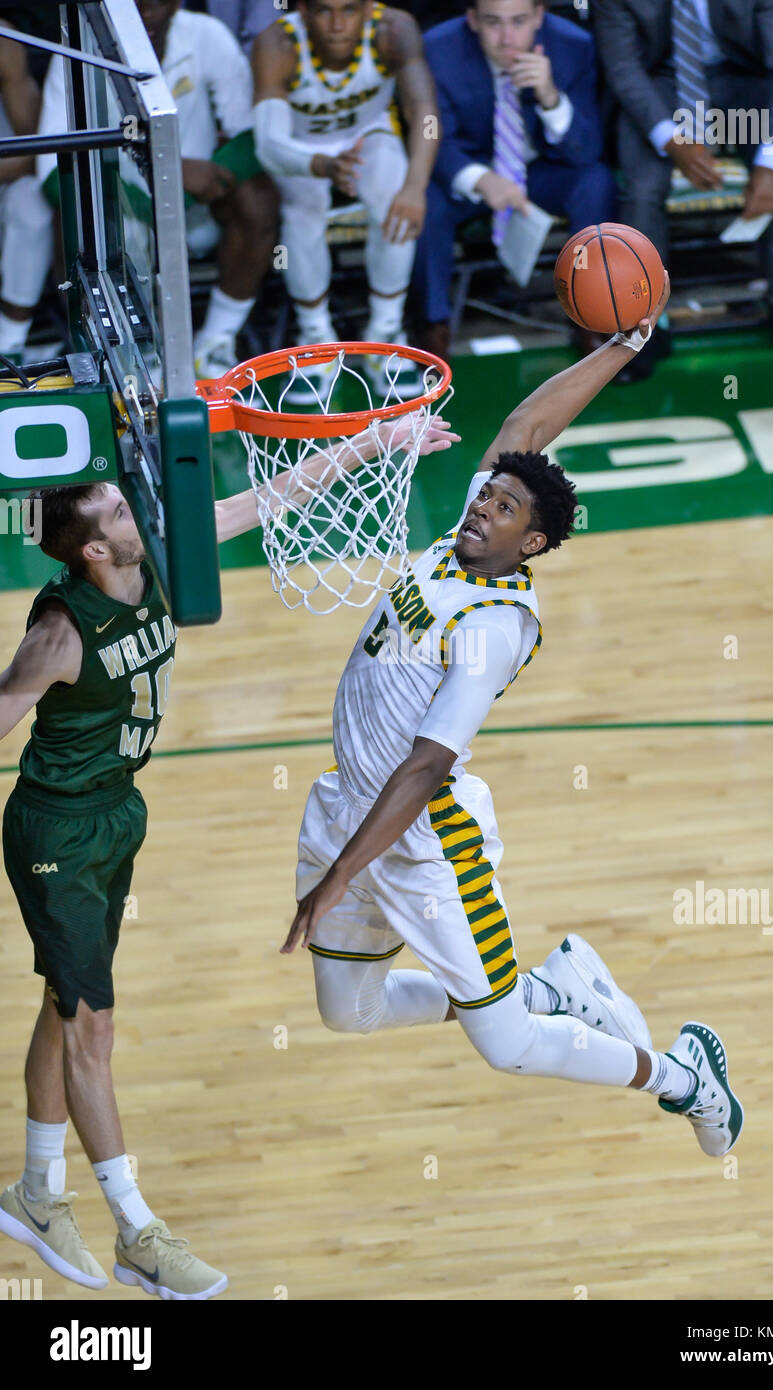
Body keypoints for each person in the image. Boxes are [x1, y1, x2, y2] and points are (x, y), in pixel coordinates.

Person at [282, 271, 744, 1163]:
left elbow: (422, 768)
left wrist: (339, 876)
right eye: (485, 498)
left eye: (501, 509)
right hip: (350, 802)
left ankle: (681, 1077)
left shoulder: (496, 624)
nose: (481, 507)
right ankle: (552, 985)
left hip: (424, 843)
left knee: (506, 1046)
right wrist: (621, 345)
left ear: (530, 543)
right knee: (351, 1014)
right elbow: (525, 433)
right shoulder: (468, 544)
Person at [0, 412, 457, 1298]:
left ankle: (36, 1191)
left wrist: (383, 441)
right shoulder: (60, 633)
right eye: (118, 515)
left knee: (66, 1001)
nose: (138, 514)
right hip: (56, 832)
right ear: (95, 554)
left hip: (117, 815)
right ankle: (138, 1230)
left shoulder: (160, 559)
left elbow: (278, 494)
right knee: (93, 1026)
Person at [592, 0, 773, 382]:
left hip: (743, 81)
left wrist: (770, 165)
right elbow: (624, 67)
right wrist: (671, 140)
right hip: (662, 83)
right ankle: (641, 327)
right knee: (642, 186)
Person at [36, 0, 280, 380]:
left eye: (155, 4)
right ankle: (121, 349)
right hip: (117, 220)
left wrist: (177, 189)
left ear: (176, 3)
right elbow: (50, 170)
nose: (144, 15)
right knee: (66, 216)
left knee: (259, 196)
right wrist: (153, 194)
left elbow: (251, 138)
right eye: (134, 5)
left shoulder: (204, 34)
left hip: (198, 211)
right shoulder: (77, 48)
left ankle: (217, 339)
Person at [251, 0, 440, 401]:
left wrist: (415, 187)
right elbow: (268, 145)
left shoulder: (395, 28)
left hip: (369, 136)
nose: (337, 24)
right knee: (301, 210)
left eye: (349, 10)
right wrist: (320, 165)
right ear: (302, 11)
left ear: (369, 8)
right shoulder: (277, 44)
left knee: (396, 196)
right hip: (300, 150)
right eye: (324, 11)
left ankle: (386, 334)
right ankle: (316, 337)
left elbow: (425, 113)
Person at [414, 0, 615, 362]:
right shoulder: (436, 48)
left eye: (519, 22)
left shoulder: (573, 44)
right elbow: (431, 136)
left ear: (540, 15)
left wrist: (551, 98)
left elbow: (586, 151)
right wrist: (479, 179)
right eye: (493, 22)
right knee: (427, 199)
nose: (507, 38)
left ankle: (589, 315)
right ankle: (433, 324)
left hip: (541, 170)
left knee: (593, 181)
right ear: (472, 19)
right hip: (472, 170)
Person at [0, 20, 53, 361]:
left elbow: (39, 149)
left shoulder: (2, 41)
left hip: (4, 178)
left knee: (33, 198)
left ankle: (9, 341)